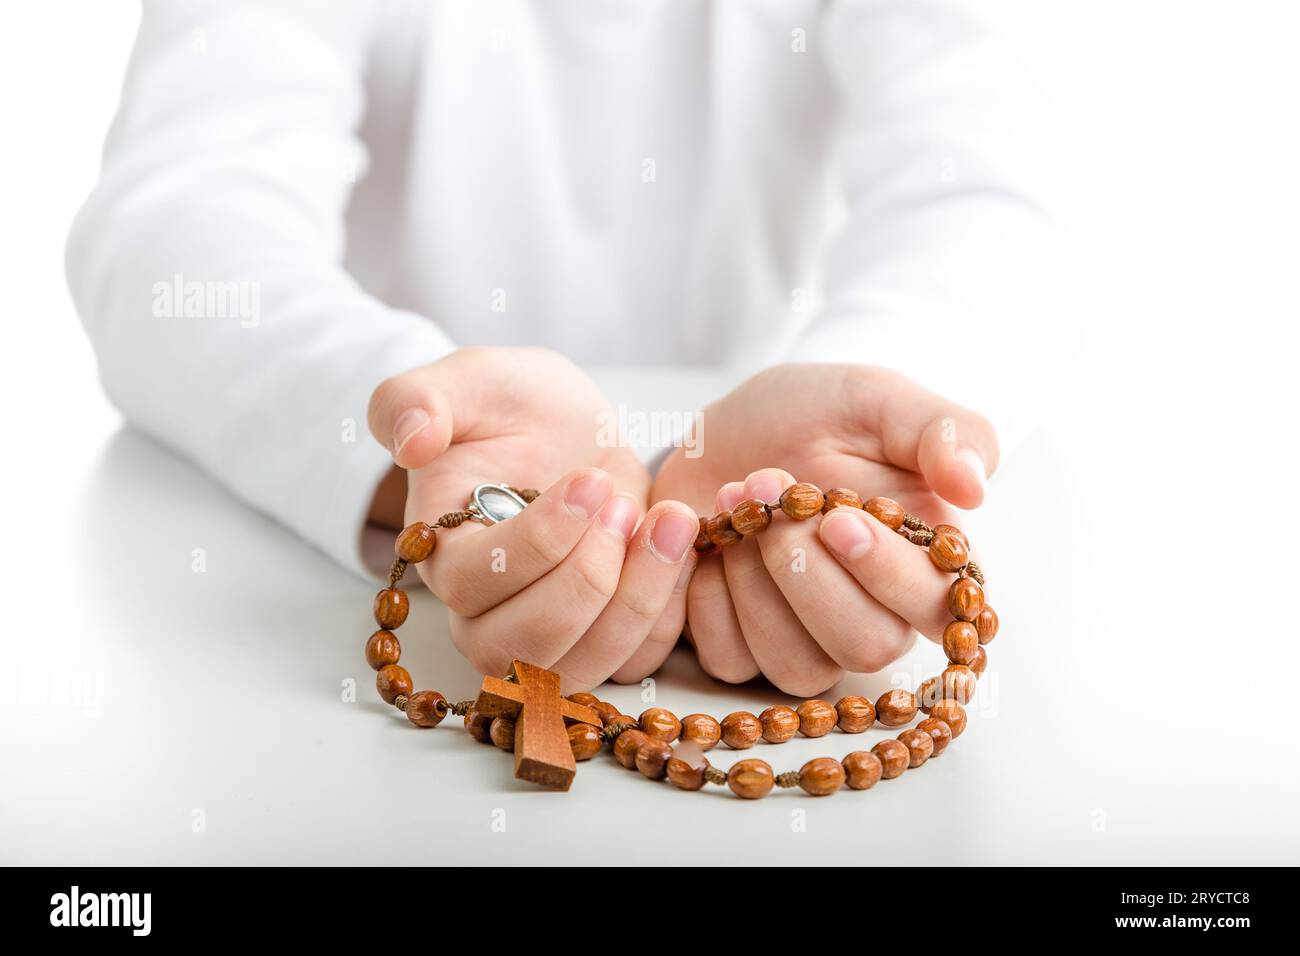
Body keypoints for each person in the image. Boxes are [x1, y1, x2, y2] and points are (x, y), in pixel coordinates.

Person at [67, 1, 1071, 695]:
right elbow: (177, 219)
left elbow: (993, 197)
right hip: (438, 512)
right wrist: (422, 444)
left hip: (753, 497)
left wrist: (869, 418)